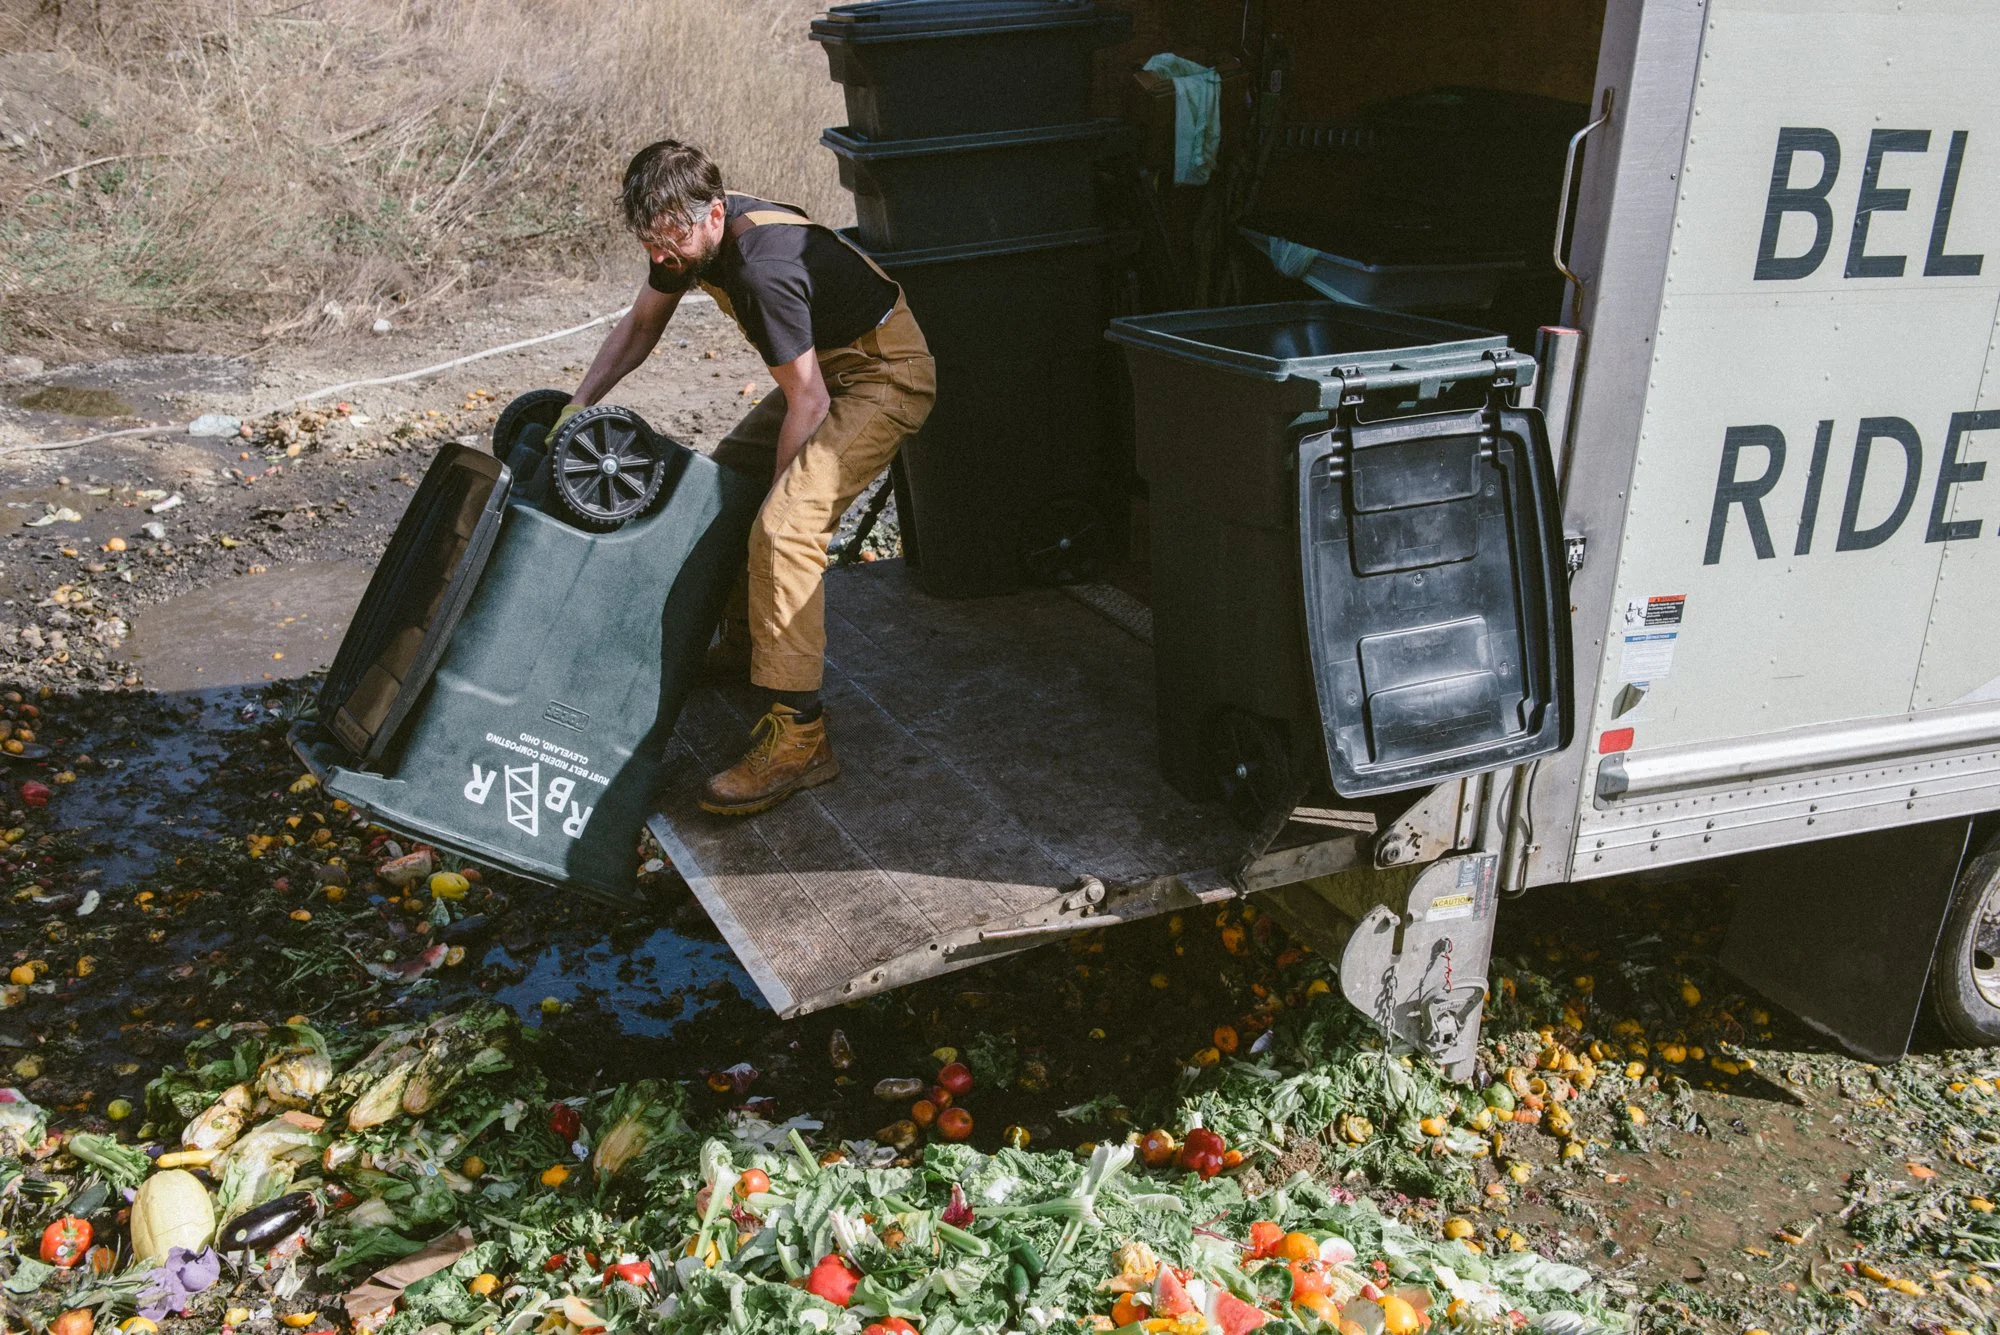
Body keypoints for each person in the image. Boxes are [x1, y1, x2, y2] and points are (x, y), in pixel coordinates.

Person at [562, 139, 935, 817]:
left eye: (670, 237)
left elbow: (810, 404)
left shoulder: (762, 265)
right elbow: (641, 325)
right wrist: (576, 404)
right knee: (721, 487)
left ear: (713, 213)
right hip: (828, 369)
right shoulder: (683, 245)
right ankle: (747, 644)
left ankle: (801, 738)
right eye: (649, 240)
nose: (660, 255)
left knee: (784, 525)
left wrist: (778, 506)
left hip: (883, 374)